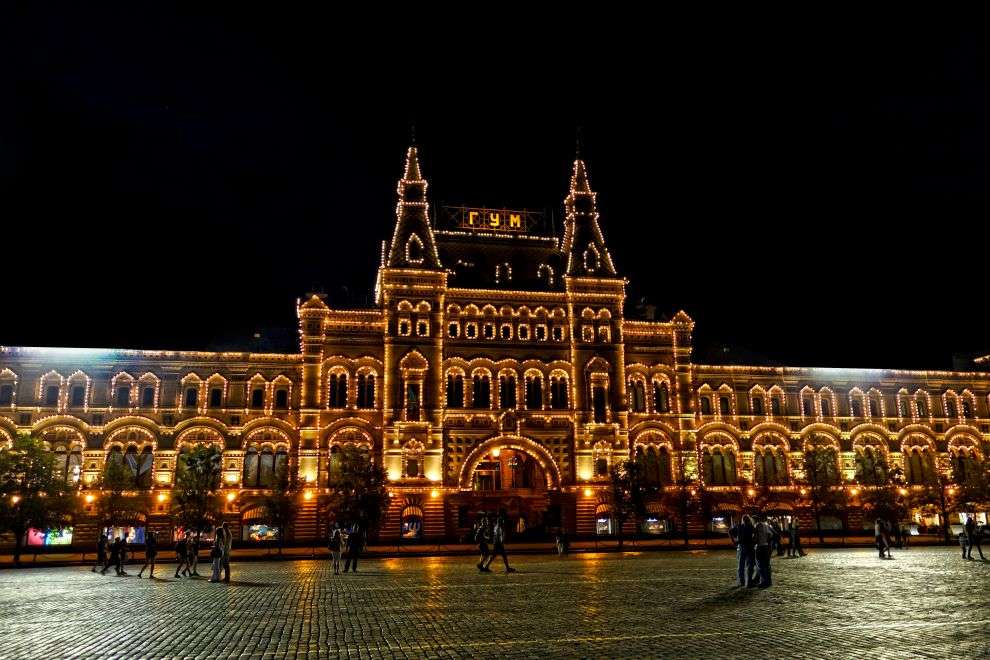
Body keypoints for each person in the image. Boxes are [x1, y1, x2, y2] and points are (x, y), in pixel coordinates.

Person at [753, 516, 776, 588]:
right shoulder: (766, 525)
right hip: (766, 546)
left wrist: (754, 542)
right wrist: (767, 542)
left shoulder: (756, 526)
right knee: (767, 565)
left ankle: (763, 582)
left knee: (760, 565)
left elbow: (755, 538)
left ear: (755, 520)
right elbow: (771, 534)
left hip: (760, 547)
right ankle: (769, 581)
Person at [737, 515, 756, 587]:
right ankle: (749, 581)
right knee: (750, 564)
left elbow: (730, 531)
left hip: (742, 546)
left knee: (741, 564)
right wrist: (754, 542)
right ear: (749, 520)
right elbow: (755, 535)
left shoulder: (739, 526)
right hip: (749, 546)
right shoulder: (751, 527)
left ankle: (742, 581)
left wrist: (734, 541)